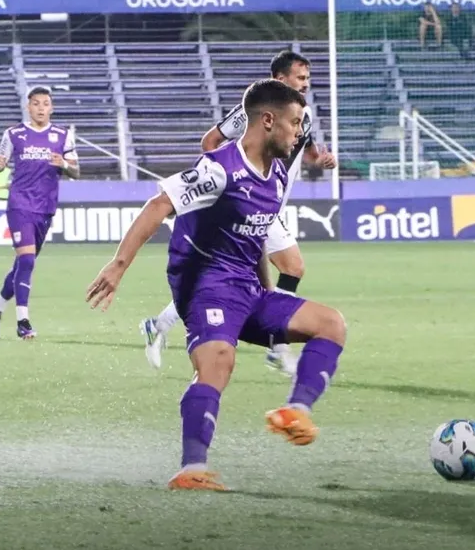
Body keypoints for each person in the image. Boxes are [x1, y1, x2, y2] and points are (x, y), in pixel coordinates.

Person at [85, 79, 348, 492]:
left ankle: (295, 410)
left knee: (331, 323)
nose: (300, 132)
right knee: (219, 361)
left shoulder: (277, 174)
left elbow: (256, 235)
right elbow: (159, 205)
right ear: (267, 121)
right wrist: (118, 267)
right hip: (207, 286)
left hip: (248, 287)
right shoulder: (219, 169)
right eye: (295, 123)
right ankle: (192, 468)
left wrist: (268, 292)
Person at [139, 51, 338, 373]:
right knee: (289, 267)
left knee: (240, 278)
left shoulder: (302, 115)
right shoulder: (254, 114)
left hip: (268, 206)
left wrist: (321, 159)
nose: (306, 84)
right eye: (300, 78)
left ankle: (158, 325)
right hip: (246, 203)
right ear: (280, 78)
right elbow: (211, 140)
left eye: (308, 79)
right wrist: (226, 185)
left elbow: (309, 150)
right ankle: (277, 343)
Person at [0, 87, 80, 340]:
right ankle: (23, 322)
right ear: (28, 107)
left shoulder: (63, 135)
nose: (40, 108)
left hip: (45, 208)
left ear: (52, 107)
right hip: (19, 204)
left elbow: (77, 170)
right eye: (36, 103)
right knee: (27, 261)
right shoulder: (14, 133)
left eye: (45, 103)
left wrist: (65, 165)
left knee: (21, 265)